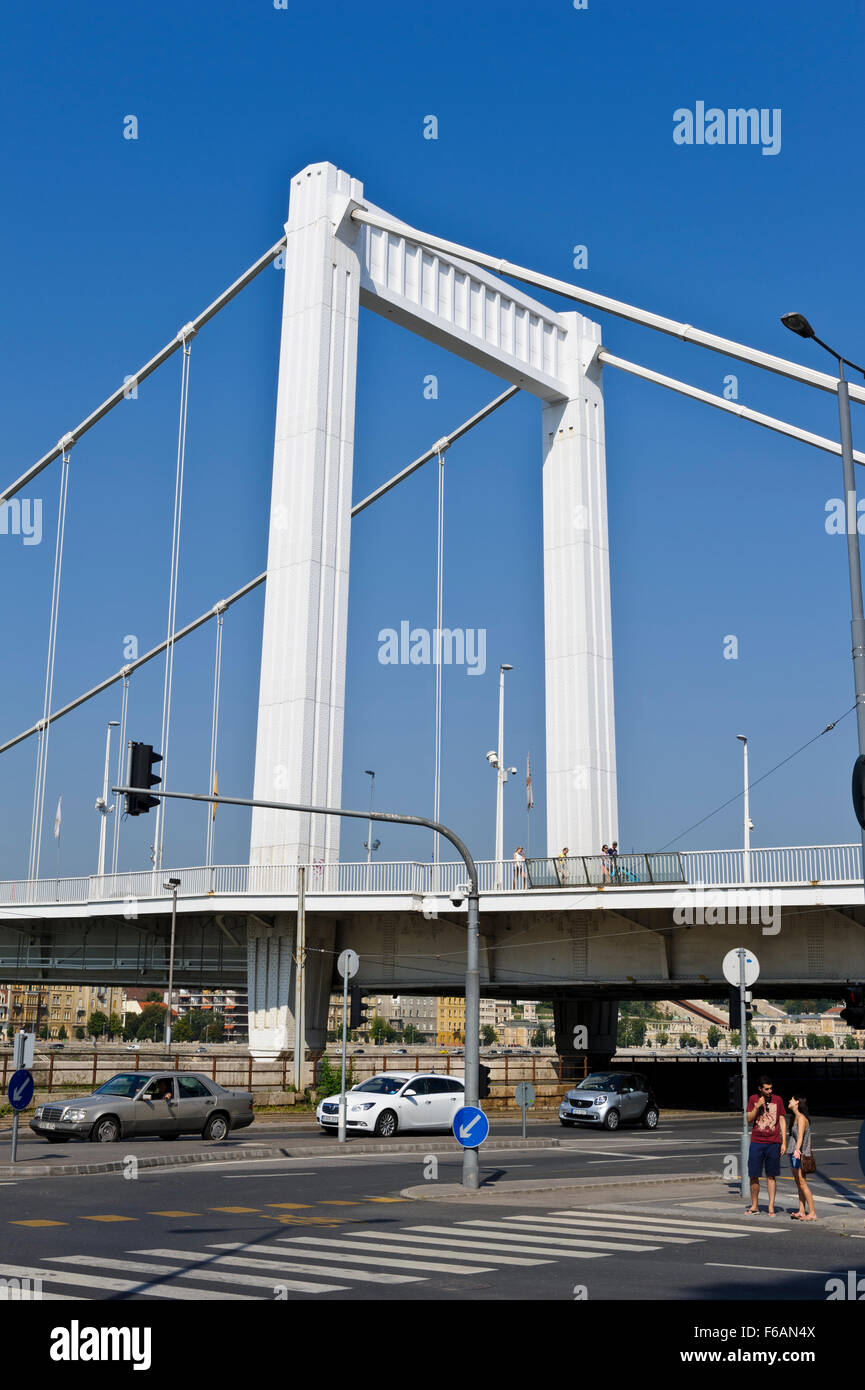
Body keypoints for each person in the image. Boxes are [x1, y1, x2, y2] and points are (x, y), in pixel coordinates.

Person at [745, 1074, 787, 1214]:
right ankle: (755, 1205)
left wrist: (783, 1142)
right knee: (754, 1174)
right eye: (767, 1089)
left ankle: (770, 1207)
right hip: (757, 1141)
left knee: (771, 1175)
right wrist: (757, 1107)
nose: (770, 1091)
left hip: (773, 1142)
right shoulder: (753, 1099)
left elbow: (781, 1119)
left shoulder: (778, 1099)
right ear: (760, 1089)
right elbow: (749, 1119)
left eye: (771, 1089)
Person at [787, 1095, 817, 1221]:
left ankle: (812, 1213)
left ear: (797, 1102)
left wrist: (797, 1150)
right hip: (793, 1152)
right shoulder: (795, 1118)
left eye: (792, 1100)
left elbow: (800, 1137)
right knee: (799, 1183)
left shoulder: (801, 1118)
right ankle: (801, 1210)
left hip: (799, 1154)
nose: (789, 1101)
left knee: (802, 1182)